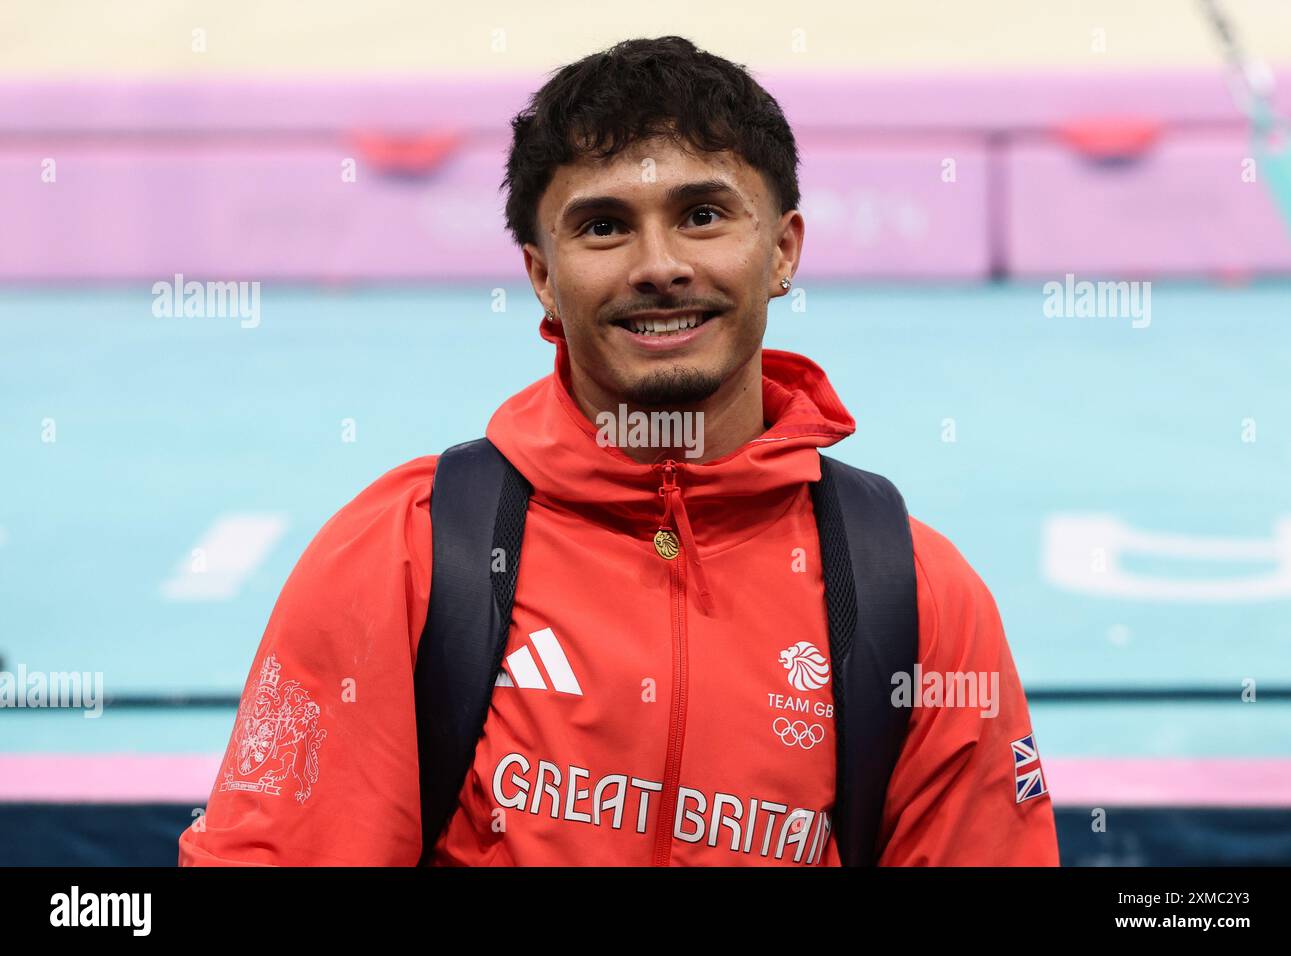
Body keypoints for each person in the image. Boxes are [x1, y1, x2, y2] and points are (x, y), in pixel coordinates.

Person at [178, 35, 1059, 867]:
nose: (659, 265)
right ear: (541, 277)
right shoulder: (402, 553)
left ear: (783, 249)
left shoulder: (913, 591)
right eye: (603, 227)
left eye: (703, 214)